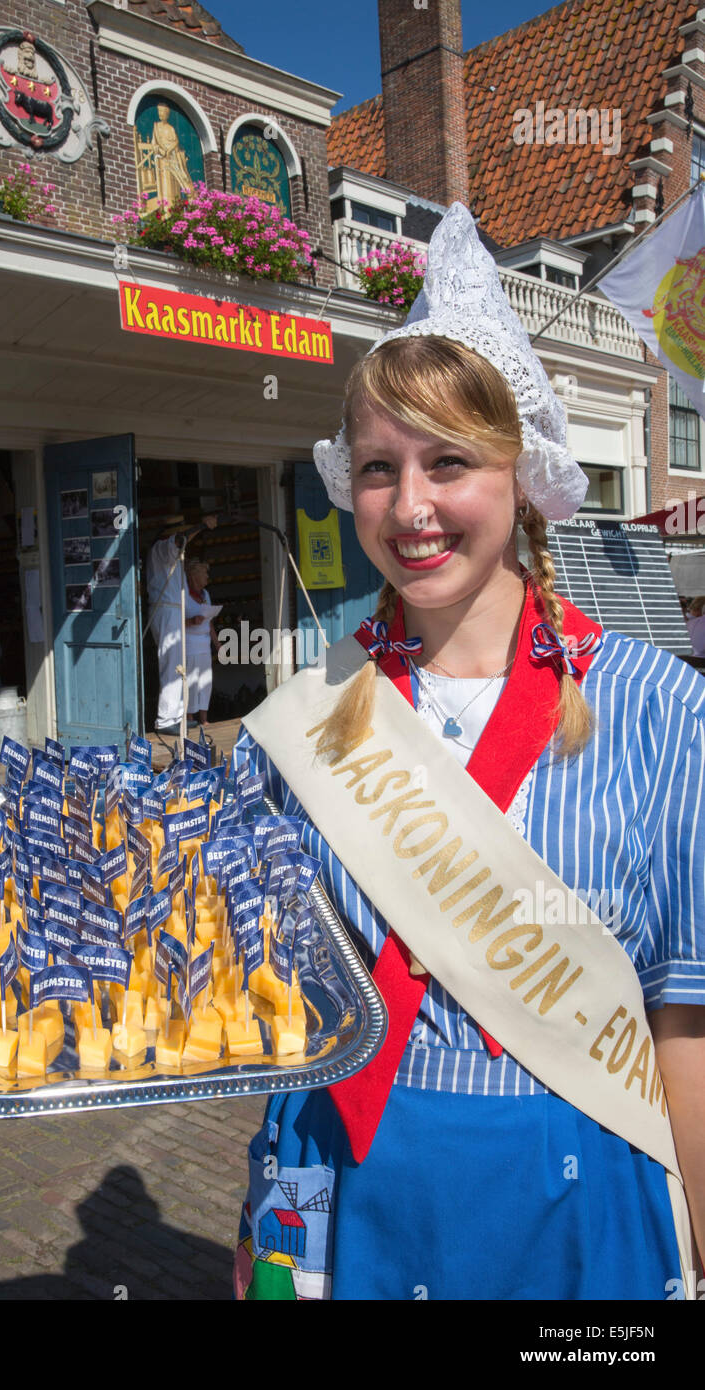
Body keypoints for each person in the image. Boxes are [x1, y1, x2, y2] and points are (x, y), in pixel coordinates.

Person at [232, 204, 705, 1301]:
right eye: (376, 469)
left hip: (568, 1192)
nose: (410, 508)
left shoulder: (657, 710)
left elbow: (683, 1019)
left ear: (520, 473)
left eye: (448, 462)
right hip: (329, 1176)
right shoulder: (310, 712)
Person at [146, 514, 217, 735]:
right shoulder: (162, 548)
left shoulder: (172, 553)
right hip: (166, 609)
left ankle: (177, 716)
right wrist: (201, 526)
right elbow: (180, 540)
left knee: (178, 664)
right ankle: (166, 719)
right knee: (171, 663)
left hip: (172, 609)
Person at [184, 555, 219, 727]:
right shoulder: (183, 595)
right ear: (194, 576)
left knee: (205, 681)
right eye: (204, 574)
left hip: (204, 644)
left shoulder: (206, 594)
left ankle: (204, 719)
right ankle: (190, 718)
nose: (207, 577)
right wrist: (191, 621)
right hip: (190, 644)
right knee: (191, 682)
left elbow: (210, 622)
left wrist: (217, 644)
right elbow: (174, 622)